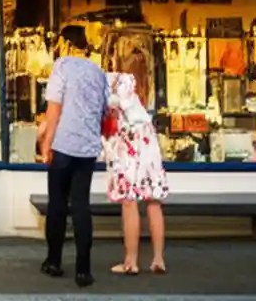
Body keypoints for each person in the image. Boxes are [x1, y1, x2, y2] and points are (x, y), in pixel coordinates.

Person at [38, 24, 109, 288]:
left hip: (63, 145)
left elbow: (53, 110)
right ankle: (83, 269)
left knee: (57, 203)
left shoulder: (62, 66)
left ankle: (54, 261)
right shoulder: (98, 72)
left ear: (66, 43)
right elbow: (104, 111)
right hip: (88, 147)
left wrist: (46, 144)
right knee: (81, 205)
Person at [103, 71, 169, 276]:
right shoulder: (134, 97)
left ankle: (131, 261)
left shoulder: (107, 86)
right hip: (148, 142)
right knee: (153, 200)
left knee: (129, 201)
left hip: (129, 142)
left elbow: (110, 112)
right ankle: (158, 259)